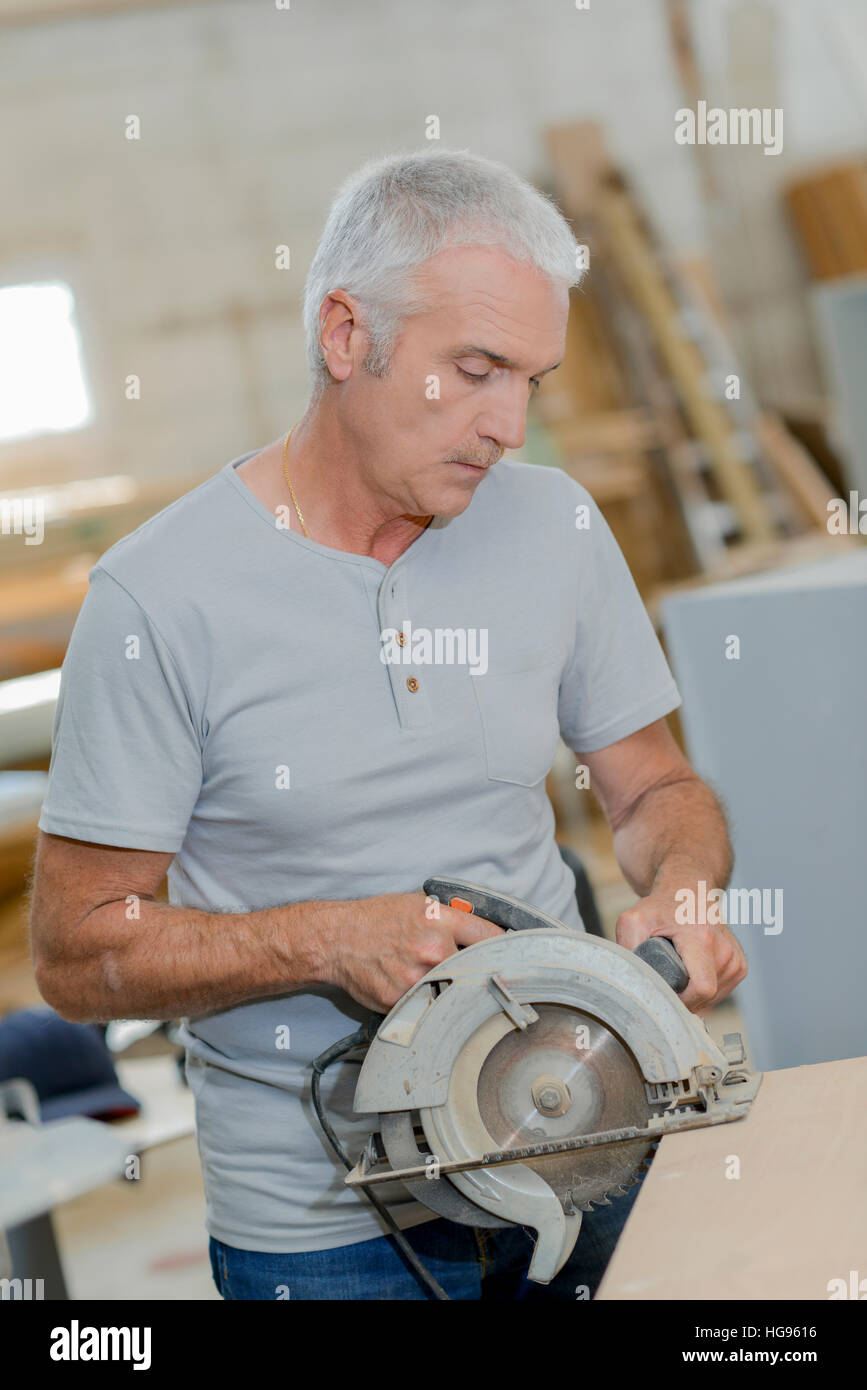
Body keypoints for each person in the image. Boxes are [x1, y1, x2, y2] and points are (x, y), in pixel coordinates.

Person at [30, 148, 747, 1301]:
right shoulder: (158, 597)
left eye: (532, 380)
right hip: (329, 1231)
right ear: (346, 335)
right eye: (474, 369)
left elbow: (656, 787)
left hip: (580, 1134)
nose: (509, 422)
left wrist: (685, 887)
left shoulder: (554, 526)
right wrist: (327, 940)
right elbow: (75, 950)